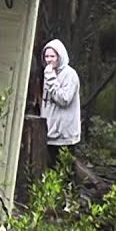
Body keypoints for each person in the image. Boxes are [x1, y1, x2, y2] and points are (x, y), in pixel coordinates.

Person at [40, 38, 81, 169]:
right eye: (46, 56)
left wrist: (51, 80)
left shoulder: (70, 75)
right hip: (50, 133)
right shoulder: (49, 73)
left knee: (65, 169)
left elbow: (64, 99)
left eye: (52, 56)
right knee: (51, 168)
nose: (49, 60)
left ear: (60, 56)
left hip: (64, 135)